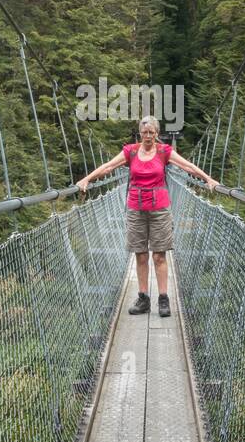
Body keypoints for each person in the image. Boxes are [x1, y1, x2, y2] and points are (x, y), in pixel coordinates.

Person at [75, 115, 218, 316]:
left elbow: (186, 166)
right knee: (140, 255)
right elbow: (108, 166)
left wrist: (207, 178)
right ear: (139, 134)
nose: (148, 135)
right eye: (145, 132)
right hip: (135, 209)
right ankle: (143, 299)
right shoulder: (130, 151)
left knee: (159, 254)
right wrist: (87, 179)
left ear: (157, 133)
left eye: (152, 132)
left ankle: (163, 299)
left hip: (160, 209)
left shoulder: (164, 151)